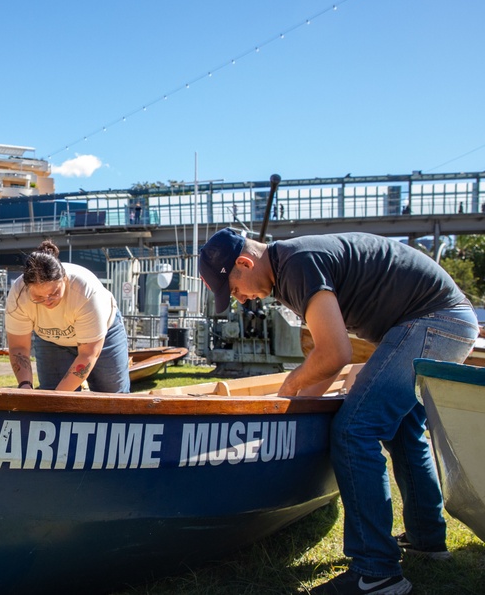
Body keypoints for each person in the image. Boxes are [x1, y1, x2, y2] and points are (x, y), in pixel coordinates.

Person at [199, 228, 477, 595]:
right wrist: (296, 410)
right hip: (439, 320)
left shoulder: (297, 264)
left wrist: (289, 389)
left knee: (354, 430)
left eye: (233, 289)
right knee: (403, 430)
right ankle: (427, 538)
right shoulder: (288, 267)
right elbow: (327, 362)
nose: (237, 299)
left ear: (244, 262)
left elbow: (335, 354)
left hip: (435, 320)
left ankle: (376, 573)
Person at [5, 240, 130, 393]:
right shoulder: (18, 294)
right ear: (27, 288)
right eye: (38, 297)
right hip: (51, 339)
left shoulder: (85, 291)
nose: (47, 300)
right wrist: (25, 385)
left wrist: (57, 398)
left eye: (54, 293)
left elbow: (88, 353)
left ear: (64, 279)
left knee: (111, 396)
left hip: (105, 334)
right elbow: (19, 347)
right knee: (50, 391)